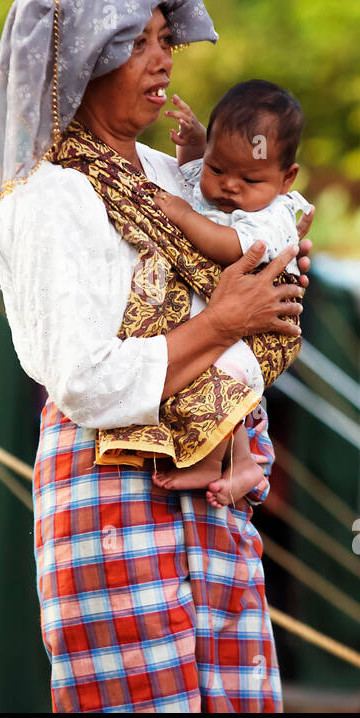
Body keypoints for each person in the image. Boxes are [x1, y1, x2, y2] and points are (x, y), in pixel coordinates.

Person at [0, 0, 314, 712]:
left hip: (214, 485)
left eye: (166, 39)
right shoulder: (47, 198)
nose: (165, 59)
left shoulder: (173, 178)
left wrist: (278, 263)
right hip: (110, 489)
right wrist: (225, 317)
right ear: (83, 57)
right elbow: (85, 378)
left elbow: (260, 265)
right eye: (139, 42)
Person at [148, 80, 314, 504]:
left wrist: (183, 216)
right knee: (213, 372)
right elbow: (191, 178)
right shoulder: (214, 190)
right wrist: (194, 147)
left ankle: (209, 464)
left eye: (250, 178)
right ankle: (241, 463)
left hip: (266, 327)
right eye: (217, 169)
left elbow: (227, 245)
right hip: (234, 316)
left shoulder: (273, 217)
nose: (229, 187)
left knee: (223, 374)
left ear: (286, 178)